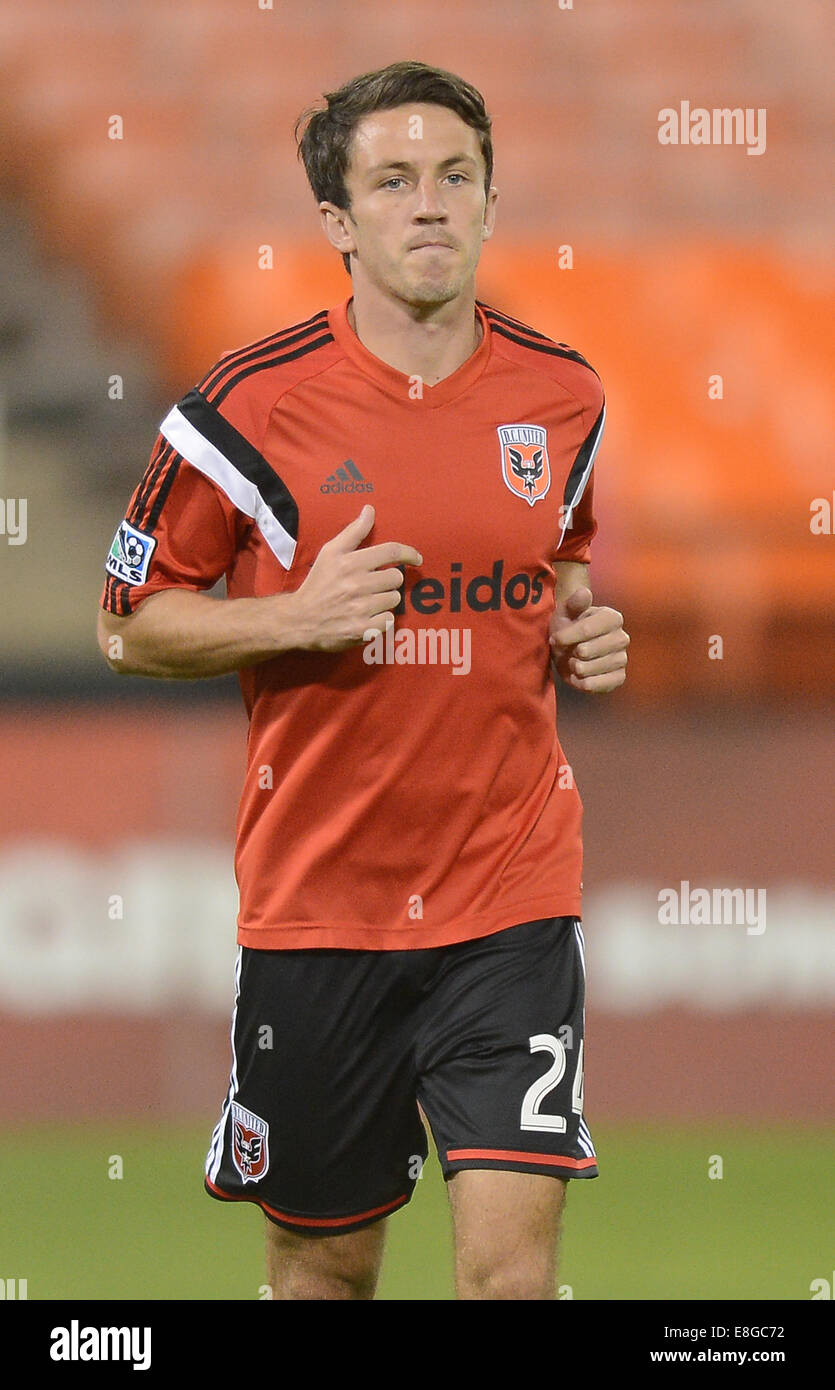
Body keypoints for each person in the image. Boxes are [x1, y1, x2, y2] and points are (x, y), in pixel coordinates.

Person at [97, 59, 629, 1301]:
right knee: (322, 1272)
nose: (430, 204)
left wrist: (580, 629)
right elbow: (131, 626)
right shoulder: (244, 409)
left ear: (491, 202)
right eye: (393, 181)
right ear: (338, 222)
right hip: (319, 910)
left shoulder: (566, 397)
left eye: (456, 177)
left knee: (512, 1278)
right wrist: (296, 618)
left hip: (511, 897)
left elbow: (556, 568)